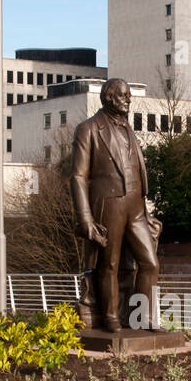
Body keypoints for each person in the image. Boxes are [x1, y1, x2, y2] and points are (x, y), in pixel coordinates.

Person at [70, 79, 160, 332]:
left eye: (129, 95)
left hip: (136, 207)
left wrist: (146, 210)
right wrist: (85, 218)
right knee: (109, 263)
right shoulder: (88, 129)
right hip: (108, 204)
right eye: (123, 95)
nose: (128, 99)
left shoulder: (129, 129)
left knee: (150, 263)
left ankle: (143, 318)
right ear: (109, 98)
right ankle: (110, 317)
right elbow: (77, 176)